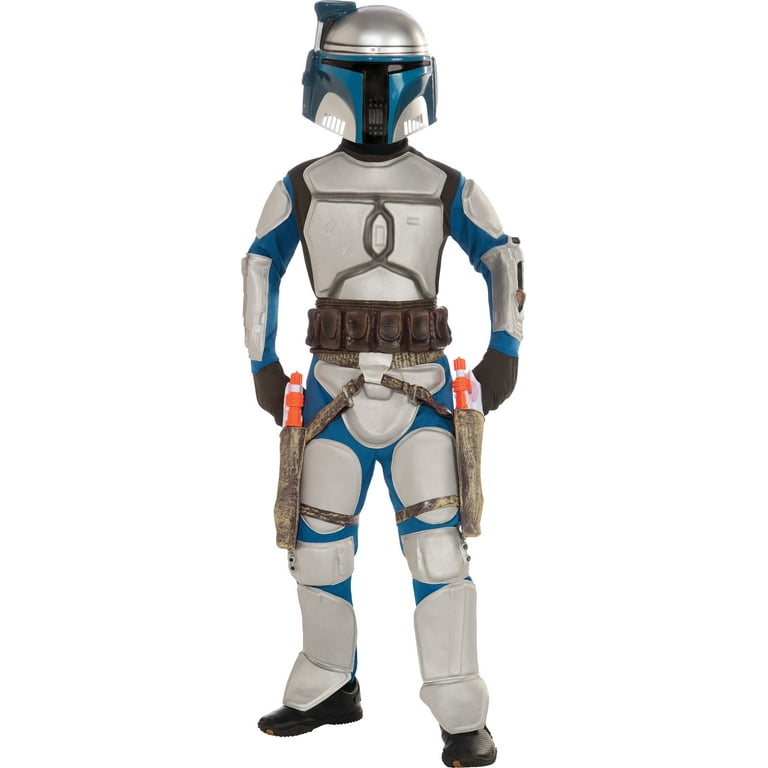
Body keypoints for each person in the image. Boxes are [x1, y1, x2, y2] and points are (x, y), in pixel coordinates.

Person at [242, 4, 524, 765]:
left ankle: (460, 711)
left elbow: (502, 257)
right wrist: (262, 364)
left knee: (438, 554)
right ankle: (329, 681)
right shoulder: (301, 186)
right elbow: (260, 268)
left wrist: (505, 348)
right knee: (319, 549)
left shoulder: (446, 185)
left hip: (420, 392)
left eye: (386, 80)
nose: (375, 98)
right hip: (330, 393)